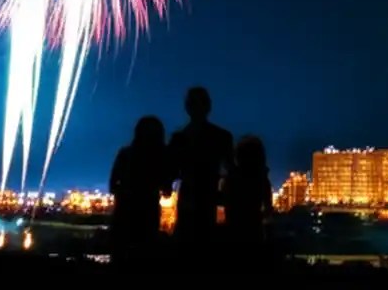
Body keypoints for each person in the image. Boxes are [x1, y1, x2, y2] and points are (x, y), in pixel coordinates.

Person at [168, 87, 233, 246]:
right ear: (209, 106)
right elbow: (231, 170)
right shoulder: (222, 137)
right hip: (208, 196)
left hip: (190, 198)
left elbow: (170, 172)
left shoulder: (179, 138)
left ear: (187, 107)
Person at [109, 116, 171, 259]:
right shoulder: (161, 157)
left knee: (122, 253)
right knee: (144, 253)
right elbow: (166, 189)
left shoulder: (125, 154)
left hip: (125, 211)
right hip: (148, 210)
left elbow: (113, 184)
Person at [223, 135, 272, 249]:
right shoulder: (262, 180)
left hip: (232, 232)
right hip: (254, 232)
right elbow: (267, 208)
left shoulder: (231, 179)